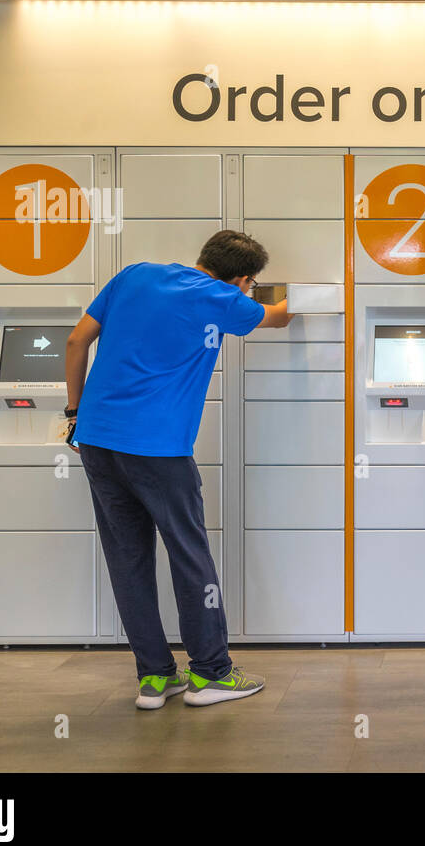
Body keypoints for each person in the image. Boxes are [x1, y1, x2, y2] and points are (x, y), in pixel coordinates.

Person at [63, 231, 294, 709]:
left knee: (127, 560)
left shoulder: (136, 275)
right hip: (160, 450)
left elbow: (76, 339)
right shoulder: (223, 298)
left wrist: (74, 413)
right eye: (249, 284)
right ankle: (211, 673)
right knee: (190, 556)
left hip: (98, 442)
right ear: (244, 279)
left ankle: (154, 677)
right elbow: (277, 318)